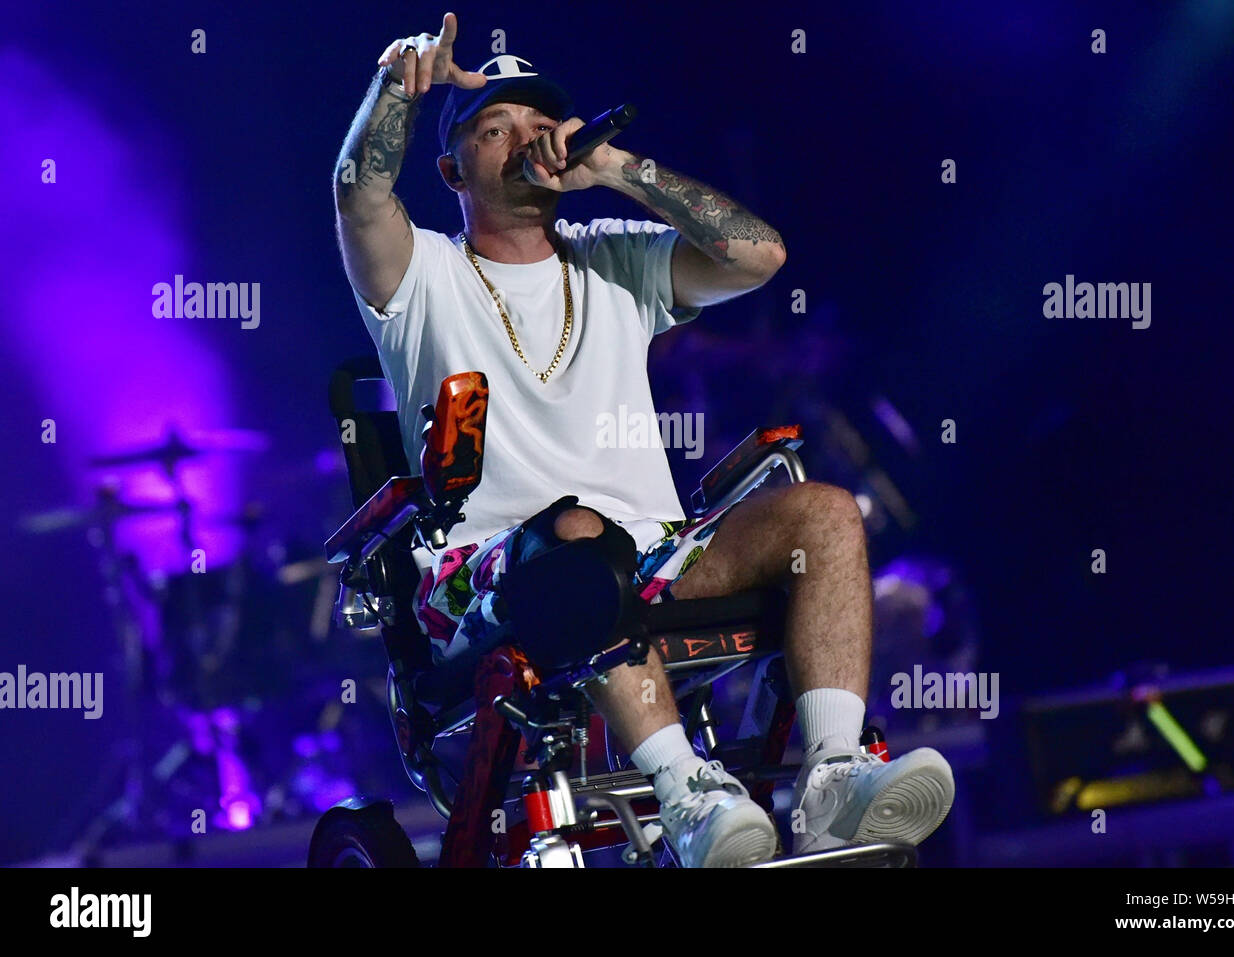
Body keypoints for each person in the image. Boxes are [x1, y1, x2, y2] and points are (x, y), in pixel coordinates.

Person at [333, 12, 954, 867]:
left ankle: (835, 780)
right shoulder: (423, 275)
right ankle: (687, 792)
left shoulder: (612, 257)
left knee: (826, 512)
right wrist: (396, 86)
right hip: (490, 577)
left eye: (541, 124)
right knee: (581, 540)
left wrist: (621, 171)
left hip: (651, 555)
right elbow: (359, 192)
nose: (526, 138)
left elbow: (760, 257)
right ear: (452, 168)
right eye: (495, 127)